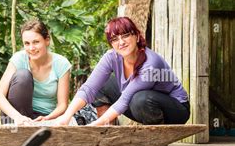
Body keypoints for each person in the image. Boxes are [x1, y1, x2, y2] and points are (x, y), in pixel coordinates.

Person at [55, 16, 190, 126]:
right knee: (103, 85)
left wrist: (94, 125)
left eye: (125, 35)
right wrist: (66, 116)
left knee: (140, 99)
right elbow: (89, 88)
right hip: (138, 104)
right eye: (115, 39)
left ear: (137, 36)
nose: (121, 42)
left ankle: (157, 137)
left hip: (175, 109)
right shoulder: (111, 57)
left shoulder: (151, 64)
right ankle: (107, 133)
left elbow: (125, 100)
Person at [0, 19, 71, 126]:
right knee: (23, 76)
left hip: (46, 117)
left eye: (36, 42)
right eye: (27, 43)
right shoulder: (19, 59)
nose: (31, 48)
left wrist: (47, 118)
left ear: (47, 40)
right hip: (17, 115)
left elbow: (62, 105)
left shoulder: (61, 63)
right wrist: (18, 117)